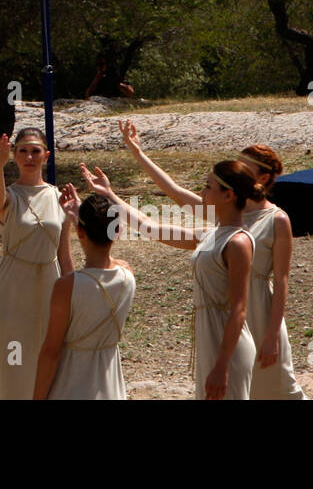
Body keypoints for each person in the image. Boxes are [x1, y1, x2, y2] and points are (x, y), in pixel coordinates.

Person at [119, 121, 303, 399]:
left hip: (260, 310)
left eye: (245, 166)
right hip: (226, 311)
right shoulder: (225, 214)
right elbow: (175, 193)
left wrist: (272, 335)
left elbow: (282, 279)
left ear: (262, 178)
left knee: (278, 389)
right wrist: (139, 154)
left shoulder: (277, 219)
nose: (236, 167)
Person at [82, 158, 258, 400]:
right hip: (210, 337)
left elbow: (239, 309)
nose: (201, 192)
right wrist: (110, 195)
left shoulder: (238, 242)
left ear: (228, 195)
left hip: (228, 347)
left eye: (208, 186)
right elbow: (151, 228)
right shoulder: (212, 235)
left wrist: (222, 366)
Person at [0, 128, 74, 399]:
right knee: (14, 364)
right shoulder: (10, 195)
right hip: (13, 291)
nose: (29, 156)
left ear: (46, 155)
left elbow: (64, 252)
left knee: (50, 364)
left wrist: (76, 293)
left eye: (35, 151)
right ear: (14, 155)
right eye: (23, 150)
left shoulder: (57, 197)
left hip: (50, 287)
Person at [33, 189, 135, 399]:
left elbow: (51, 351)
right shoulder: (127, 275)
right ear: (118, 232)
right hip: (110, 387)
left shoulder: (66, 286)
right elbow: (88, 281)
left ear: (80, 233)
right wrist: (81, 220)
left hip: (72, 385)